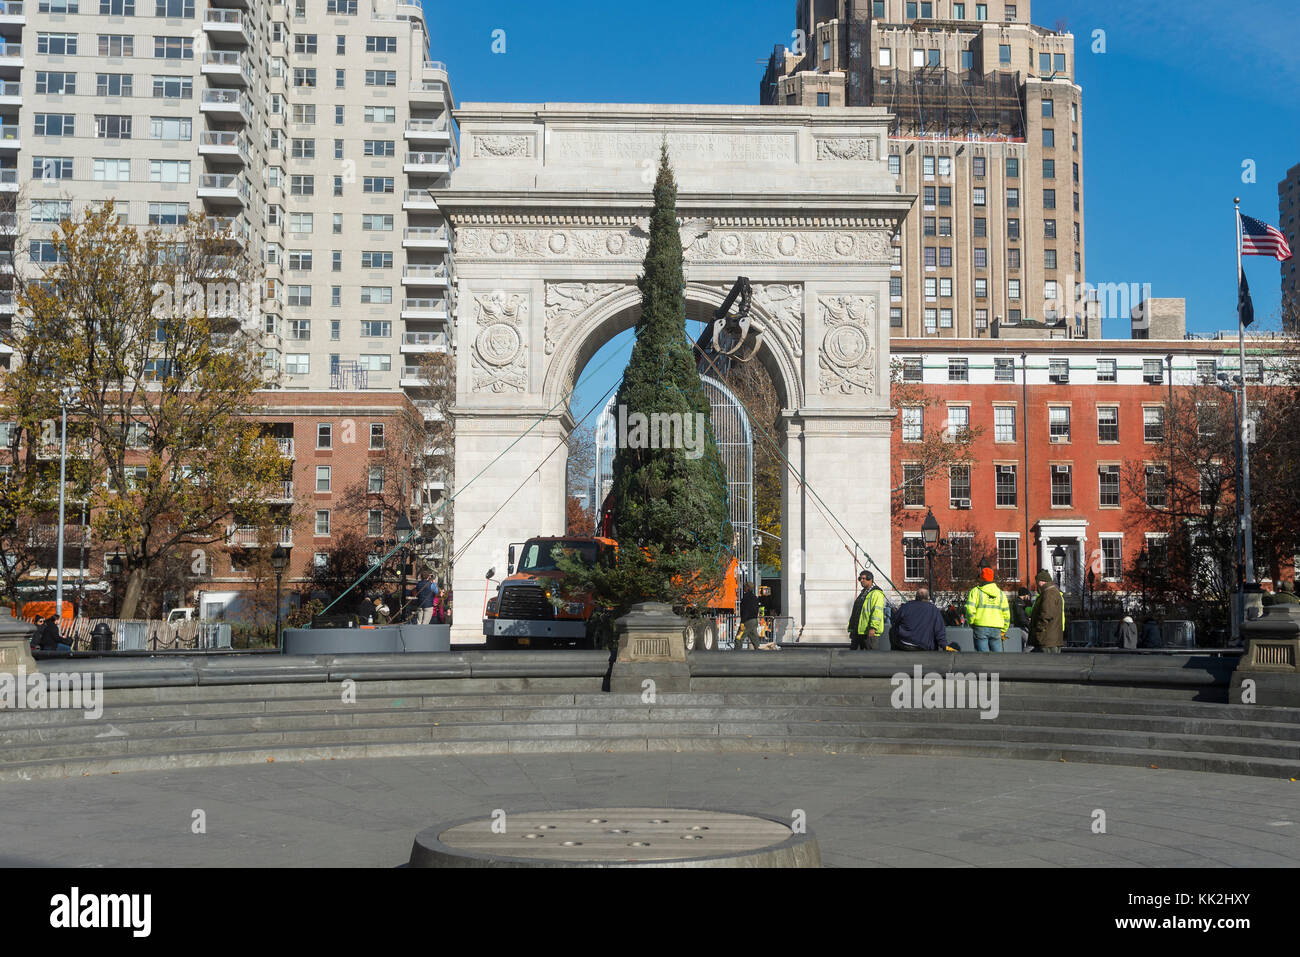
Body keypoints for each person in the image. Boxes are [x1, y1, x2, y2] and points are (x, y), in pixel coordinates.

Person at [966, 567, 1011, 653]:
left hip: (980, 626)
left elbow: (970, 610)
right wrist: (1004, 629)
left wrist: (971, 622)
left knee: (982, 657)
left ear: (981, 578)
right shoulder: (1001, 593)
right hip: (997, 627)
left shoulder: (975, 591)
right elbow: (1006, 613)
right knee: (997, 658)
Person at [891, 587, 950, 651]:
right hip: (923, 645)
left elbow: (895, 620)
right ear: (928, 598)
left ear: (916, 597)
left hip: (904, 643)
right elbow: (939, 631)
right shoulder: (933, 610)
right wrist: (944, 646)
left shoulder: (906, 606)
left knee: (892, 631)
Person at [1027, 569, 1065, 653]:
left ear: (1041, 582)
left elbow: (1046, 614)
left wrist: (1039, 628)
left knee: (1047, 663)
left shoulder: (1049, 593)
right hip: (1050, 637)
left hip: (1047, 638)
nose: (1037, 585)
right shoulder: (1051, 592)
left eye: (1037, 582)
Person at [847, 570, 885, 651]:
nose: (861, 581)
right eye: (860, 579)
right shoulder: (863, 594)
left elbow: (877, 612)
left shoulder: (876, 593)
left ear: (870, 579)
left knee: (871, 658)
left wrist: (873, 628)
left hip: (869, 633)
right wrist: (852, 629)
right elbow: (855, 612)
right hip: (858, 631)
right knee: (852, 657)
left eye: (864, 578)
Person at [735, 583, 762, 651]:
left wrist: (742, 622)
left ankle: (736, 653)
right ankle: (759, 651)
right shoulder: (755, 597)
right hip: (754, 620)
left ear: (748, 588)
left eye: (745, 586)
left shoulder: (746, 598)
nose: (743, 587)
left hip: (747, 621)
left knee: (739, 638)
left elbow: (745, 610)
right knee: (754, 638)